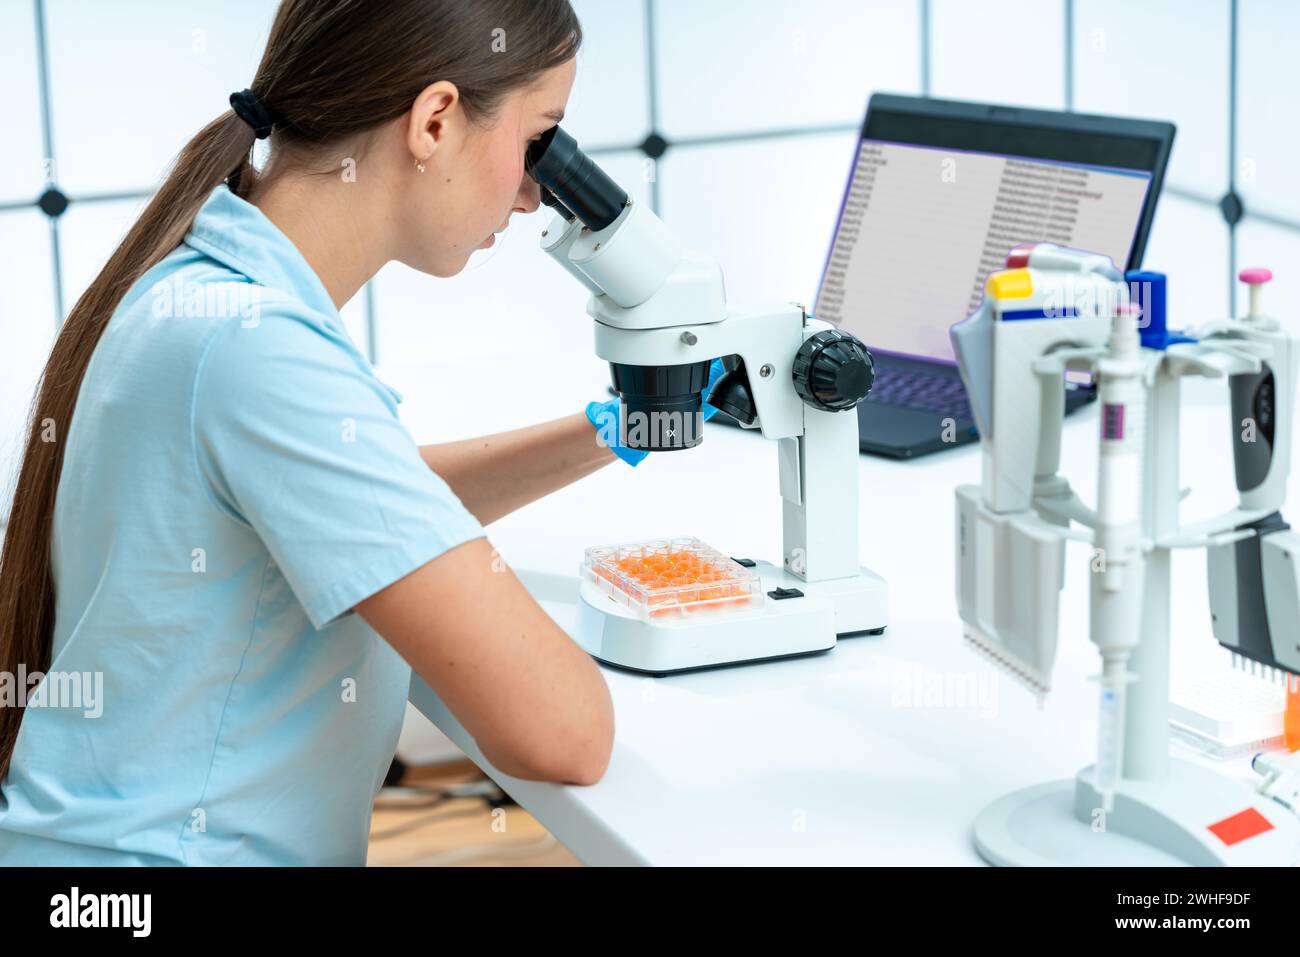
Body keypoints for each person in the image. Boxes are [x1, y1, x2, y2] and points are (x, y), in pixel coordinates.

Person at [0, 0, 718, 866]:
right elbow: (566, 732)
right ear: (436, 120)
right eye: (539, 142)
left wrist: (611, 430)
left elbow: (362, 501)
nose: (536, 194)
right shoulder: (259, 352)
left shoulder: (204, 291)